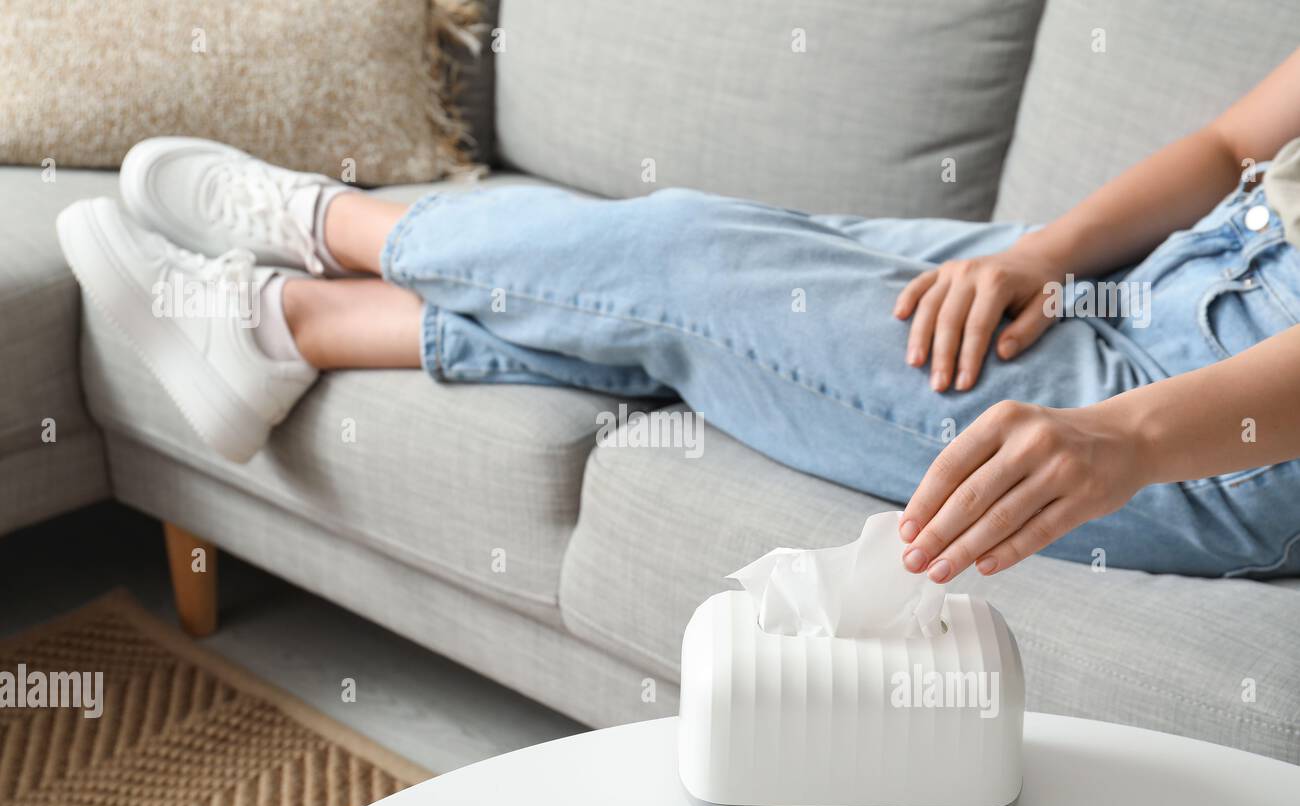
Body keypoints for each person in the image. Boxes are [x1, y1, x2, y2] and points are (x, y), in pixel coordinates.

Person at [57, 48, 1300, 581]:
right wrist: (1047, 250)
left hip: (1232, 423)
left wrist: (1131, 440)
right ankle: (288, 329)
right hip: (1185, 265)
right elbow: (1234, 139)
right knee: (774, 269)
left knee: (686, 257)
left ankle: (332, 229)